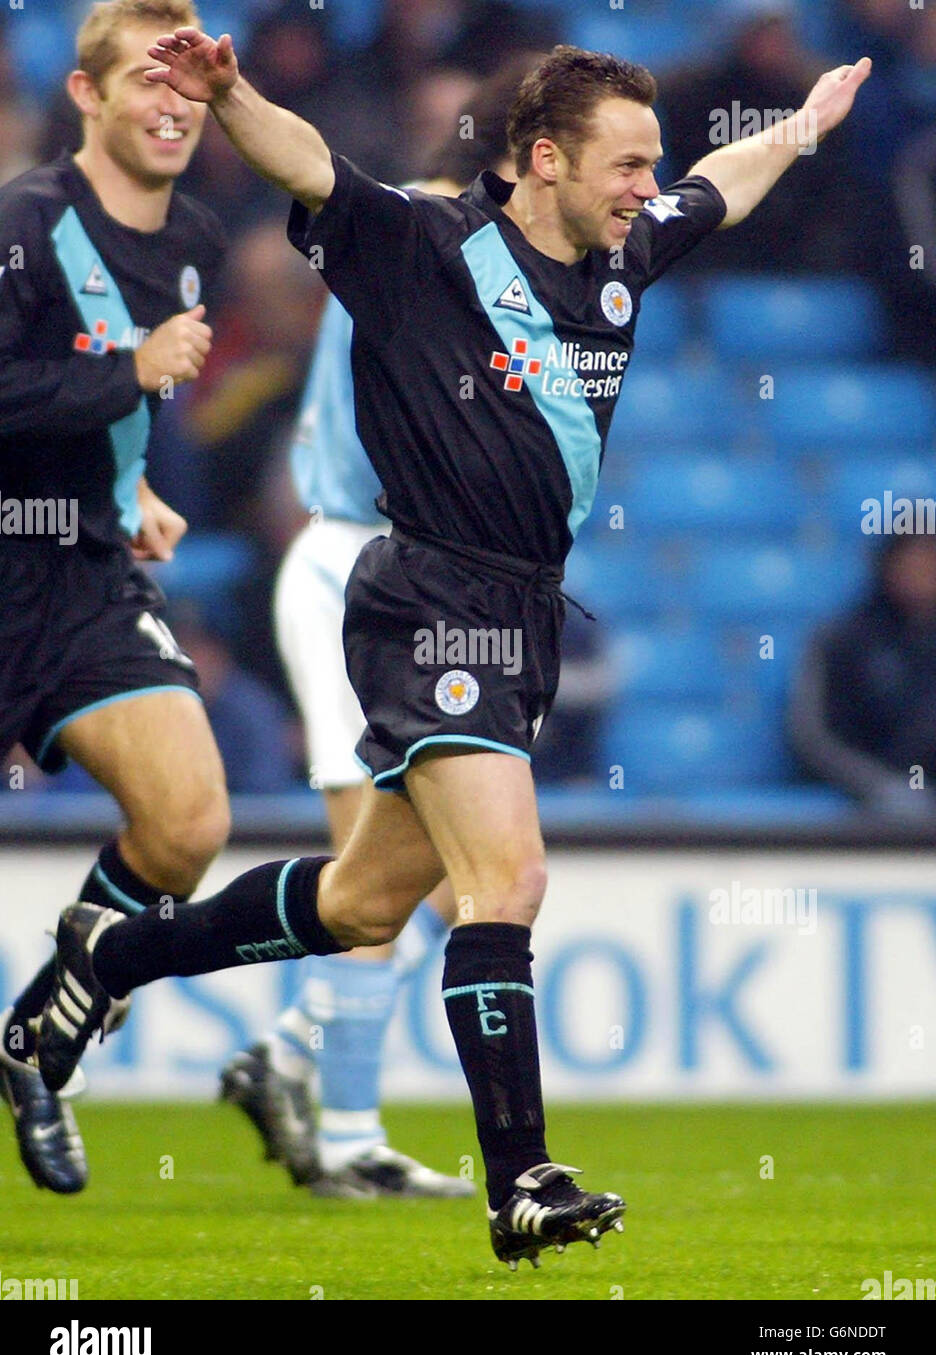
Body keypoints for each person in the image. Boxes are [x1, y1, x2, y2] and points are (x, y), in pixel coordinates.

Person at [36, 29, 871, 1269]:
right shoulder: (424, 247)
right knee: (510, 881)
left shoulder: (625, 251)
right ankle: (519, 1176)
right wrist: (234, 94)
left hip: (526, 607)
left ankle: (121, 950)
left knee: (359, 898)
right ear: (543, 159)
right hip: (431, 597)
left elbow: (719, 187)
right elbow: (314, 166)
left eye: (652, 165)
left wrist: (799, 130)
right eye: (627, 164)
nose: (651, 184)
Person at [219, 61, 533, 1201]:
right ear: (526, 155)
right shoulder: (425, 238)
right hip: (362, 562)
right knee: (381, 871)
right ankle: (341, 1123)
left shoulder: (440, 239)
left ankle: (292, 1058)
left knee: (426, 875)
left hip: (410, 571)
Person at [0, 0, 229, 1195]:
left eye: (189, 82)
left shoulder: (195, 234)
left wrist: (130, 487)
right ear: (85, 96)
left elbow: (117, 414)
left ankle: (42, 1031)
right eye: (147, 79)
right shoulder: (23, 224)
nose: (172, 101)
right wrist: (123, 376)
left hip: (86, 570)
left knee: (189, 819)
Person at [791, 533, 936, 821]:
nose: (921, 573)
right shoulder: (842, 640)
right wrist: (877, 786)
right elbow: (811, 737)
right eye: (912, 561)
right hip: (867, 801)